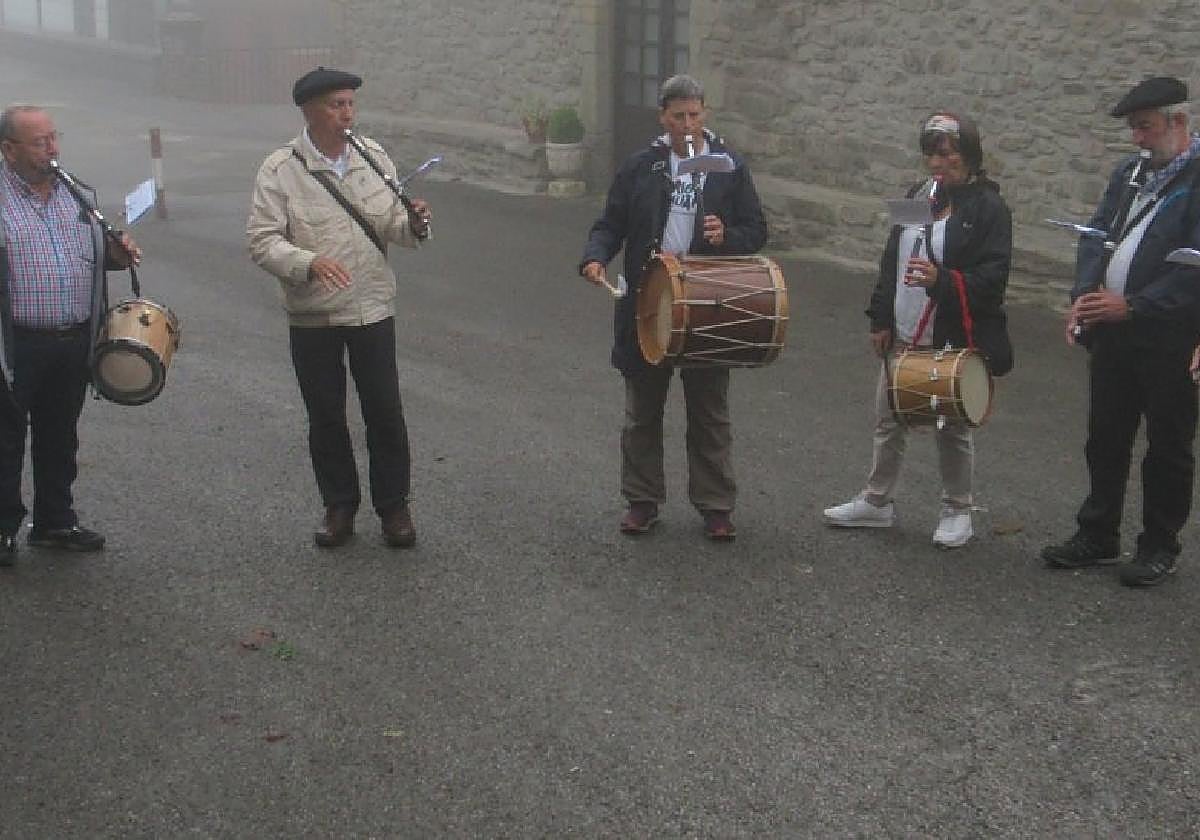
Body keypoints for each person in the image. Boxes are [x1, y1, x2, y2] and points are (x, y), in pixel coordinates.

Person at [247, 68, 431, 549]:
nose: (346, 114)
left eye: (350, 104)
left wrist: (413, 222)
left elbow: (393, 225)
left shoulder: (373, 158)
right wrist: (307, 263)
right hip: (314, 315)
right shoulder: (280, 169)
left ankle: (394, 508)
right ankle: (339, 507)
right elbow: (262, 241)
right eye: (336, 105)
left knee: (385, 412)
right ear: (309, 110)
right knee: (326, 415)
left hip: (372, 306)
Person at [579, 74, 768, 541]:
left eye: (695, 115)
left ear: (705, 114)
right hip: (650, 298)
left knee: (709, 409)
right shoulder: (642, 166)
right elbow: (611, 224)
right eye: (678, 116)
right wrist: (594, 256)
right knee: (643, 409)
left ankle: (716, 506)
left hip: (708, 299)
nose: (688, 124)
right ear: (663, 117)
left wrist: (728, 236)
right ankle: (642, 502)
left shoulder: (727, 165)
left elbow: (757, 230)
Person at [823, 112, 1013, 548]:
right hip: (905, 331)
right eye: (930, 154)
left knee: (952, 426)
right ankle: (876, 501)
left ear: (967, 153)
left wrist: (940, 281)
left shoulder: (989, 208)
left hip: (948, 336)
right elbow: (892, 259)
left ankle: (957, 509)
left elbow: (994, 278)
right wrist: (880, 318)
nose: (936, 163)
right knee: (888, 419)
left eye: (945, 153)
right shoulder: (917, 195)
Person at [1042, 76, 1200, 587]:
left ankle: (1159, 546)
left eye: (1146, 127)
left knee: (1168, 446)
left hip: (1170, 335)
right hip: (1113, 331)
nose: (1138, 138)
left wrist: (1132, 305)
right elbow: (1096, 236)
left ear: (1179, 123)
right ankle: (1098, 535)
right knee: (1105, 437)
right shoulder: (1128, 174)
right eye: (1134, 129)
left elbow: (1194, 266)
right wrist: (1084, 297)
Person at [0, 104, 141, 562]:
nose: (53, 149)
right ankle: (3, 530)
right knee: (5, 437)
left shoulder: (76, 194)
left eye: (54, 138)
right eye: (40, 142)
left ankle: (55, 522)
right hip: (14, 342)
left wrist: (118, 254)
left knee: (60, 434)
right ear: (9, 150)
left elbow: (97, 255)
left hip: (74, 335)